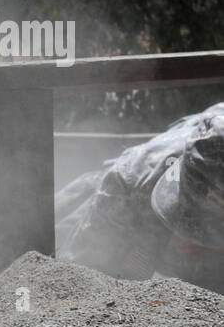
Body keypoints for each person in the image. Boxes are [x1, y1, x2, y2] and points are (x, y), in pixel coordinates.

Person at [56, 103, 224, 292]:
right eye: (191, 218)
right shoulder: (130, 181)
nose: (191, 239)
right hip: (124, 203)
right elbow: (78, 277)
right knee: (53, 237)